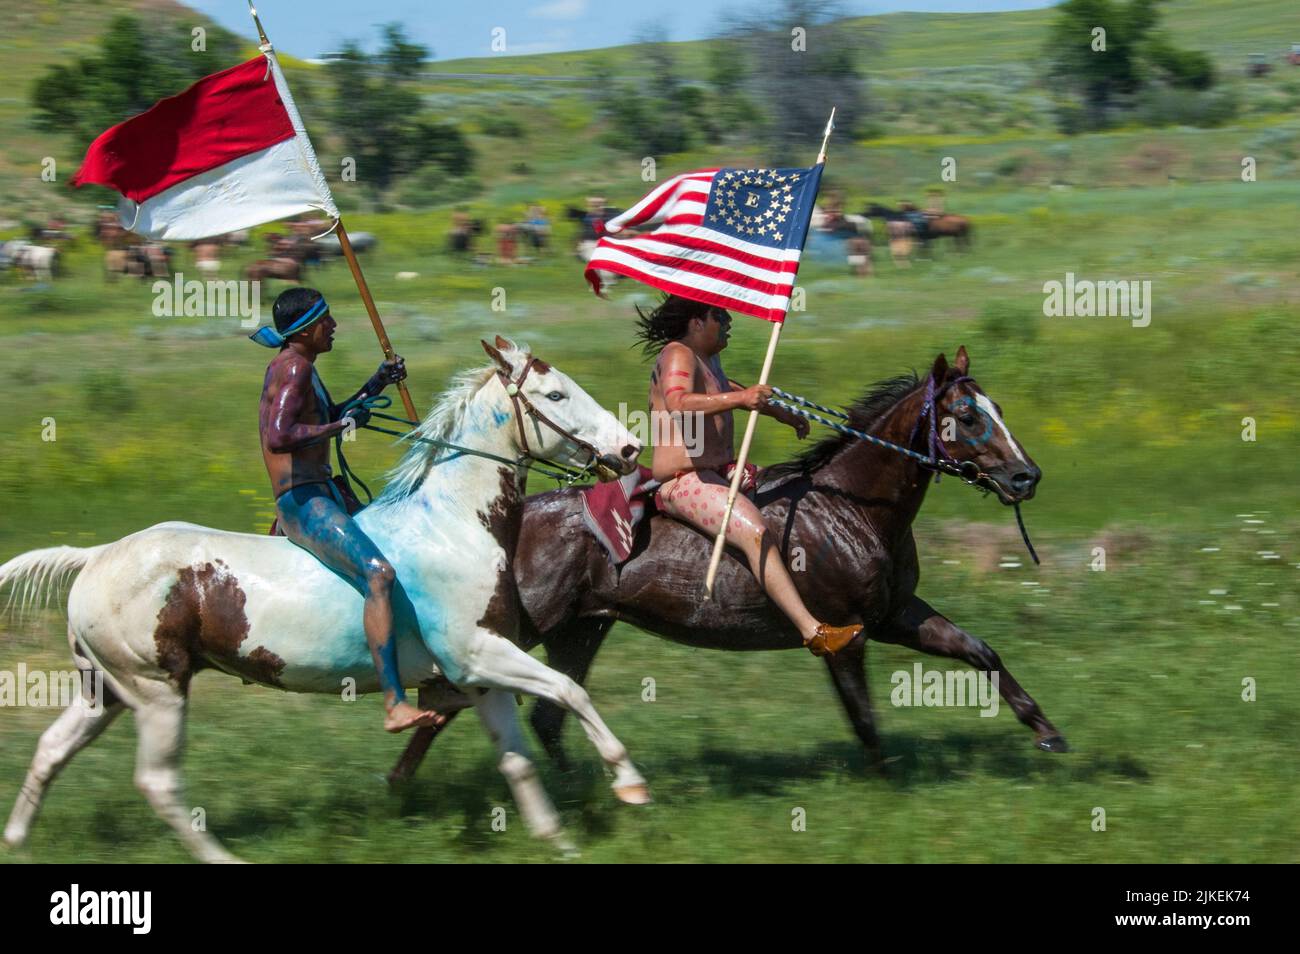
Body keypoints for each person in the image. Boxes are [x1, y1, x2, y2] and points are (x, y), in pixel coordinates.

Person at [252, 287, 440, 732]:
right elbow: (281, 436)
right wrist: (342, 425)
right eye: (327, 321)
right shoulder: (295, 367)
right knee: (379, 573)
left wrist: (376, 384)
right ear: (307, 328)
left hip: (323, 490)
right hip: (304, 501)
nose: (334, 327)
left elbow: (326, 415)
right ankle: (394, 702)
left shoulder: (300, 366)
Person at [639, 294, 863, 656]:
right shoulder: (678, 353)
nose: (728, 321)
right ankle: (813, 632)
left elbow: (729, 390)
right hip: (684, 482)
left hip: (719, 472)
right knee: (756, 531)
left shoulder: (708, 359)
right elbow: (679, 401)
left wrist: (781, 413)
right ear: (697, 322)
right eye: (719, 315)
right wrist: (743, 402)